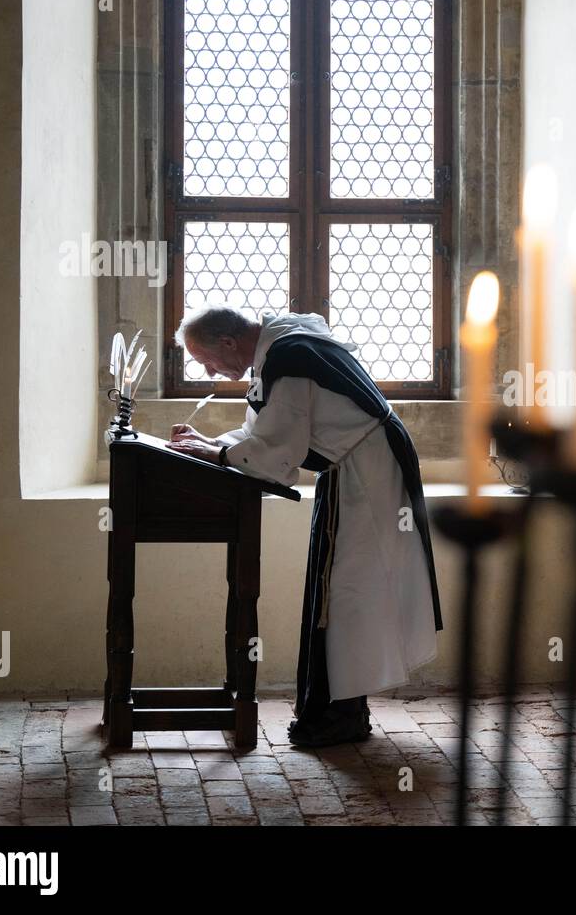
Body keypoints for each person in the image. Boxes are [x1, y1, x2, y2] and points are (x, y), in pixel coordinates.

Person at [166, 307, 442, 746]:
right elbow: (263, 431)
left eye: (205, 359)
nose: (207, 370)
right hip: (355, 467)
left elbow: (280, 445)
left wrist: (215, 455)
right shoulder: (281, 350)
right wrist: (213, 445)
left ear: (229, 343)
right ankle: (342, 709)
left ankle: (341, 713)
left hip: (366, 473)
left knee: (349, 592)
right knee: (345, 589)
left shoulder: (289, 356)